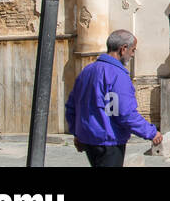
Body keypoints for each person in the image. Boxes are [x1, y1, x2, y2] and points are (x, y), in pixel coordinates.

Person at [65, 30, 163, 167]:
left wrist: (77, 133)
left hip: (88, 140)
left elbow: (71, 107)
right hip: (109, 142)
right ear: (123, 49)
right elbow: (126, 114)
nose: (133, 55)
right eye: (133, 50)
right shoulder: (118, 75)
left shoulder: (87, 71)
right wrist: (151, 132)